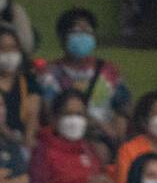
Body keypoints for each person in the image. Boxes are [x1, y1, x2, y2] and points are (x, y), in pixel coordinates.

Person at [29, 89, 114, 183]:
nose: (75, 120)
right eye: (68, 114)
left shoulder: (89, 149)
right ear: (54, 118)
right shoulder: (43, 149)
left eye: (80, 114)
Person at [39, 8, 131, 147]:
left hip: (107, 138)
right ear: (62, 37)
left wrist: (119, 128)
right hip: (66, 137)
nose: (82, 36)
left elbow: (123, 105)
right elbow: (50, 112)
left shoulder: (108, 70)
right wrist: (97, 125)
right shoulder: (50, 73)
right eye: (76, 31)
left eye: (87, 31)